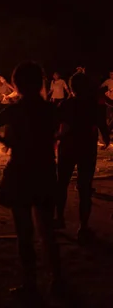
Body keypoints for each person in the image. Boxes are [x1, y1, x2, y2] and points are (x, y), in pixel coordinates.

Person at [0, 61, 62, 299]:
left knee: (24, 232)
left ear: (16, 84)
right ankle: (56, 279)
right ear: (41, 83)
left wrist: (9, 142)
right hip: (45, 170)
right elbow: (63, 128)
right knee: (47, 229)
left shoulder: (15, 110)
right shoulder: (50, 109)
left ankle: (30, 283)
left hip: (20, 172)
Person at [55, 72, 110, 243]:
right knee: (85, 188)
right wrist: (106, 138)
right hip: (87, 148)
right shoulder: (93, 104)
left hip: (68, 148)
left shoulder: (66, 104)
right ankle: (83, 227)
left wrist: (56, 138)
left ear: (71, 88)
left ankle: (59, 219)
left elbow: (61, 127)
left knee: (61, 183)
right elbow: (102, 125)